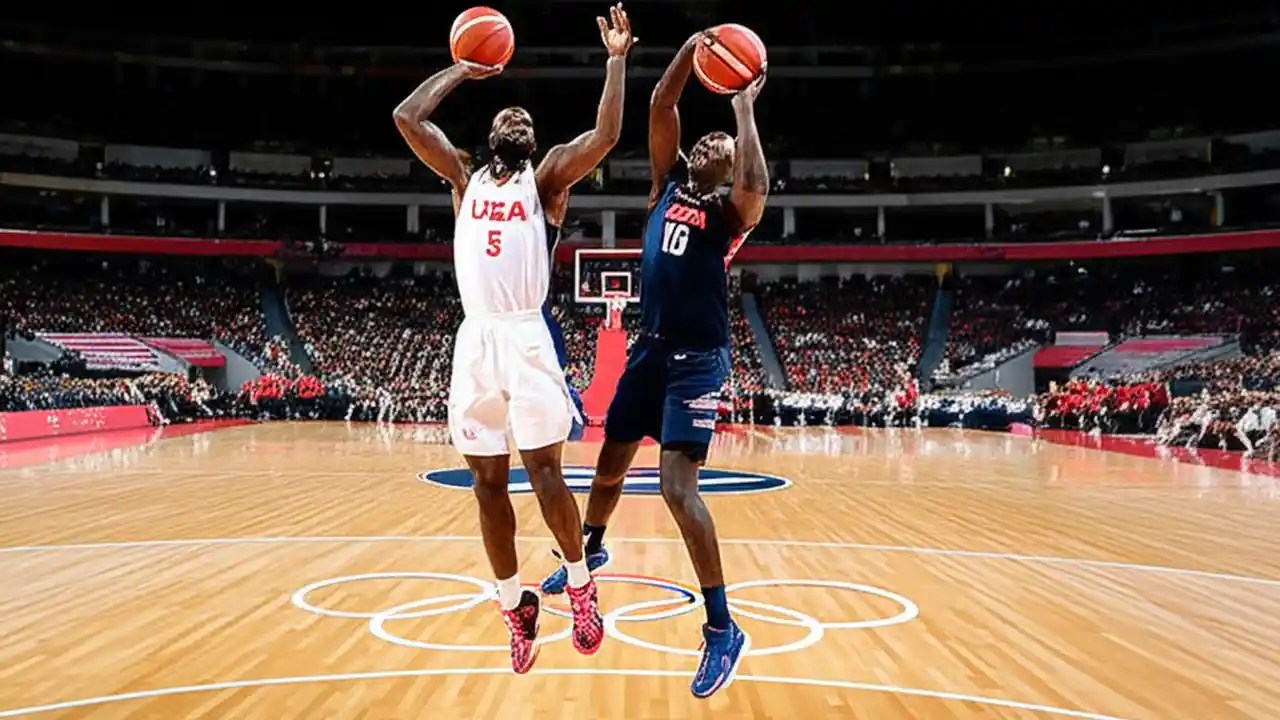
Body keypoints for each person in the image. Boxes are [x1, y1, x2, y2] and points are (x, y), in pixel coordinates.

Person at [393, 3, 635, 674]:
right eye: (508, 116)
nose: (518, 118)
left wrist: (616, 61)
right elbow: (407, 119)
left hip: (527, 338)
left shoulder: (549, 177)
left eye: (525, 119)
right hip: (476, 343)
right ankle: (513, 607)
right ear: (490, 133)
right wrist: (459, 69)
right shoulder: (462, 178)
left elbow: (608, 135)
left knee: (545, 473)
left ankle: (581, 589)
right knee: (487, 487)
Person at [540, 31, 768, 698]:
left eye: (716, 149)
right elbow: (662, 104)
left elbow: (757, 185)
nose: (705, 147)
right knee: (608, 464)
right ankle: (593, 546)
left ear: (726, 168)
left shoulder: (731, 214)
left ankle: (722, 630)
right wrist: (691, 53)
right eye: (703, 143)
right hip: (651, 348)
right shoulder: (666, 184)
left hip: (699, 360)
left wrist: (744, 108)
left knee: (675, 488)